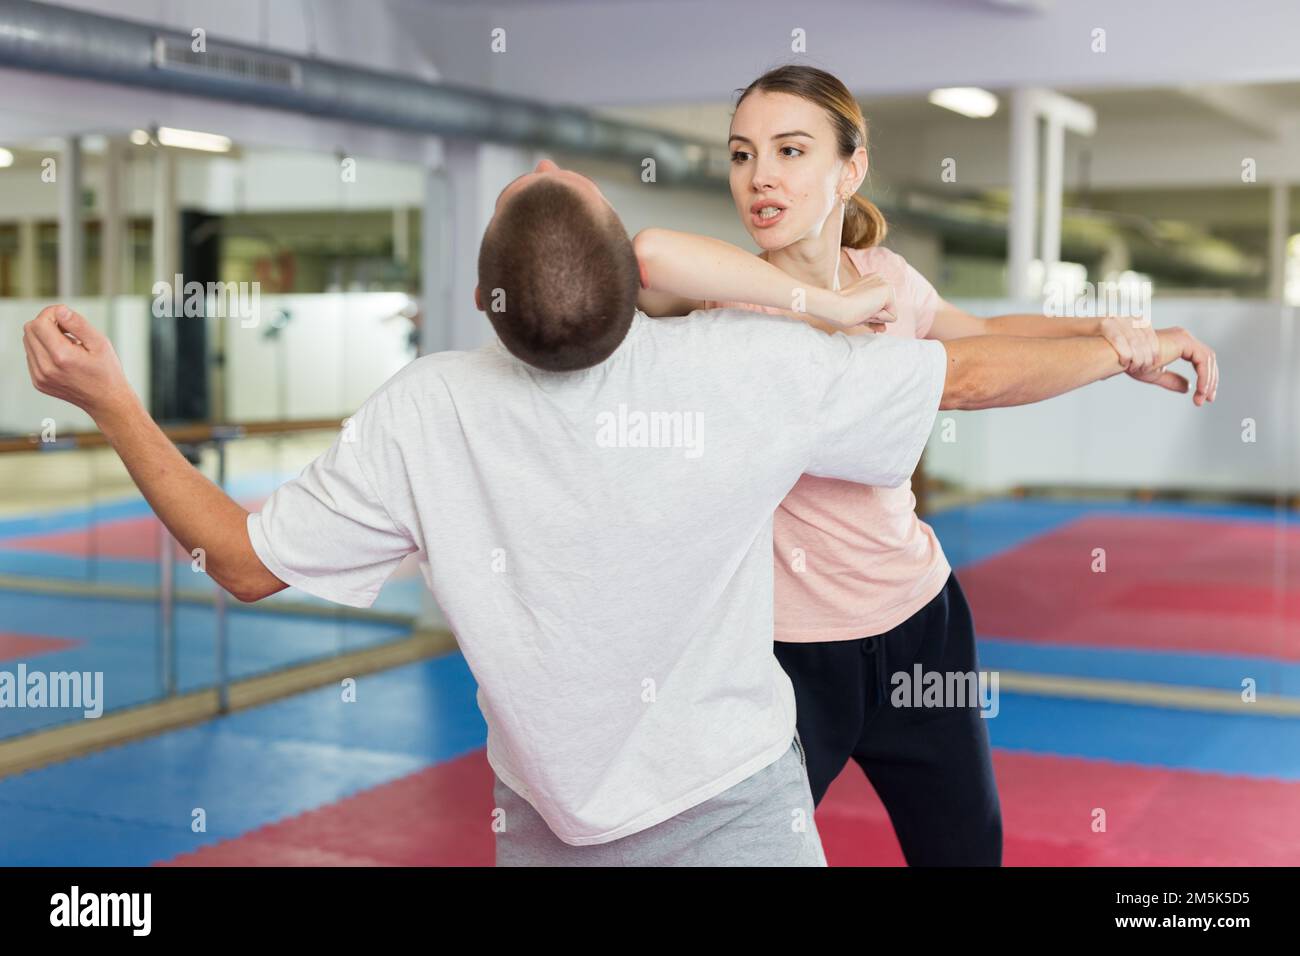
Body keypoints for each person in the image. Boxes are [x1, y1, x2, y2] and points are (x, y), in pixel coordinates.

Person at [21, 158, 1216, 866]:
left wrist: (111, 398)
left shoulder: (426, 411)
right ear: (635, 279)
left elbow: (235, 560)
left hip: (549, 827)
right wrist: (1121, 341)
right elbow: (962, 375)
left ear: (484, 304)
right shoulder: (738, 368)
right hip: (737, 810)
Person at [634, 64, 1219, 865]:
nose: (760, 176)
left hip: (921, 627)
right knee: (741, 855)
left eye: (791, 150)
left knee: (966, 852)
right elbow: (647, 258)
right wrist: (821, 307)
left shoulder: (889, 282)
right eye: (742, 155)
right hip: (785, 654)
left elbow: (978, 333)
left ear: (851, 169)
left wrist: (1121, 337)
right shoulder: (724, 300)